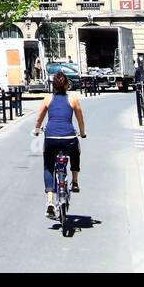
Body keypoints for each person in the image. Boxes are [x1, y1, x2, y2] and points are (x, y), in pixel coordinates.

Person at [33, 71, 86, 218]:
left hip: (51, 137)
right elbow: (80, 119)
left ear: (54, 86)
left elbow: (39, 118)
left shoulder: (48, 98)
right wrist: (82, 133)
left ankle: (50, 201)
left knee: (49, 166)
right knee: (76, 152)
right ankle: (75, 181)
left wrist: (37, 131)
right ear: (67, 85)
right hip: (69, 137)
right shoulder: (73, 99)